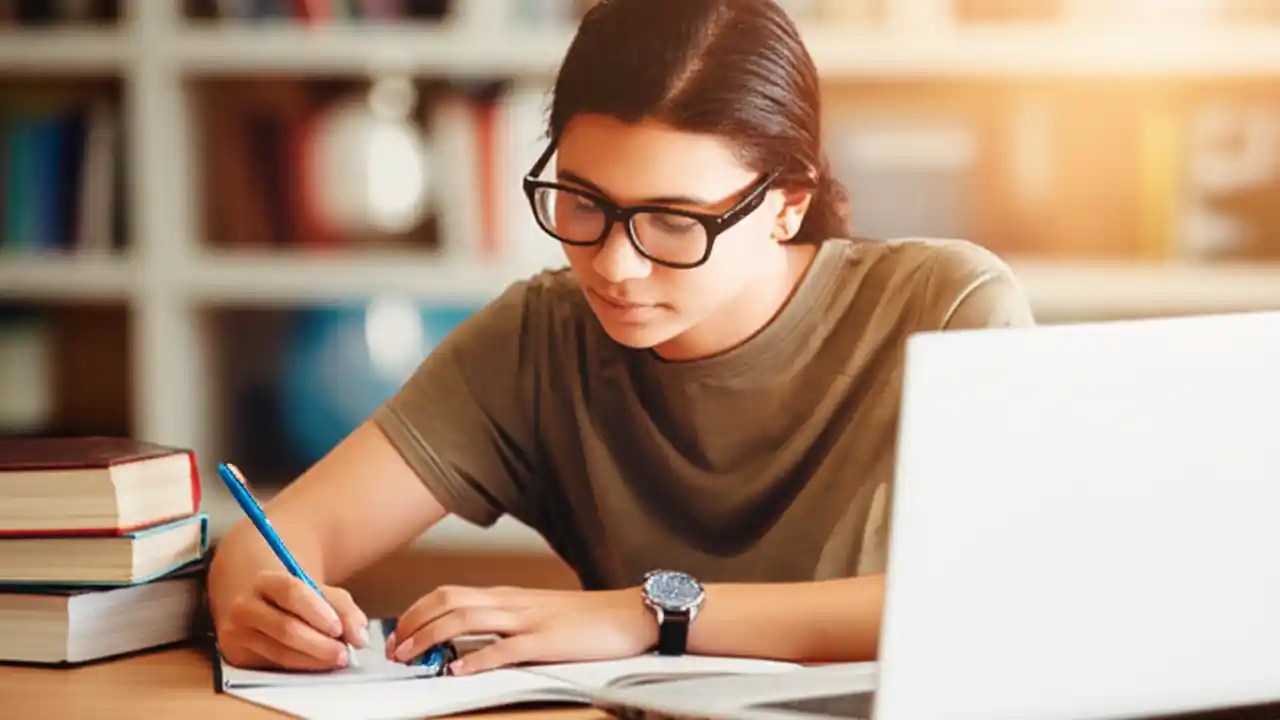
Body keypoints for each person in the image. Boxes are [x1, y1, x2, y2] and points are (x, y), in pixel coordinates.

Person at [207, 0, 1034, 677]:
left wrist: (648, 614)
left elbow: (991, 598)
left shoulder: (946, 306)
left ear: (787, 201)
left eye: (674, 223)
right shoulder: (540, 336)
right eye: (583, 203)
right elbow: (273, 540)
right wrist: (267, 606)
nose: (614, 266)